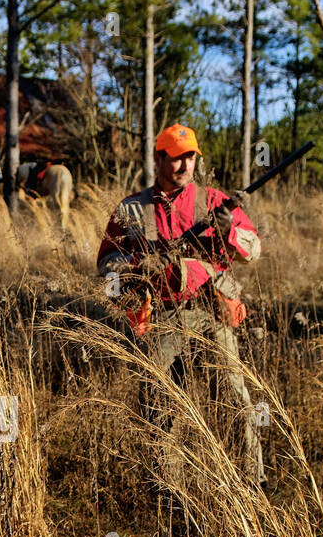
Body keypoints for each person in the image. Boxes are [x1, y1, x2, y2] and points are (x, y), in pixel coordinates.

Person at [96, 123, 265, 486]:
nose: (184, 166)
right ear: (159, 158)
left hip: (211, 311)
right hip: (162, 316)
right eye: (176, 158)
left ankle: (252, 482)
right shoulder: (133, 210)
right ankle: (167, 486)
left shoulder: (216, 202)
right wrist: (136, 268)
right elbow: (106, 264)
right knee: (159, 402)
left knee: (235, 397)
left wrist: (229, 231)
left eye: (190, 157)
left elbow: (253, 250)